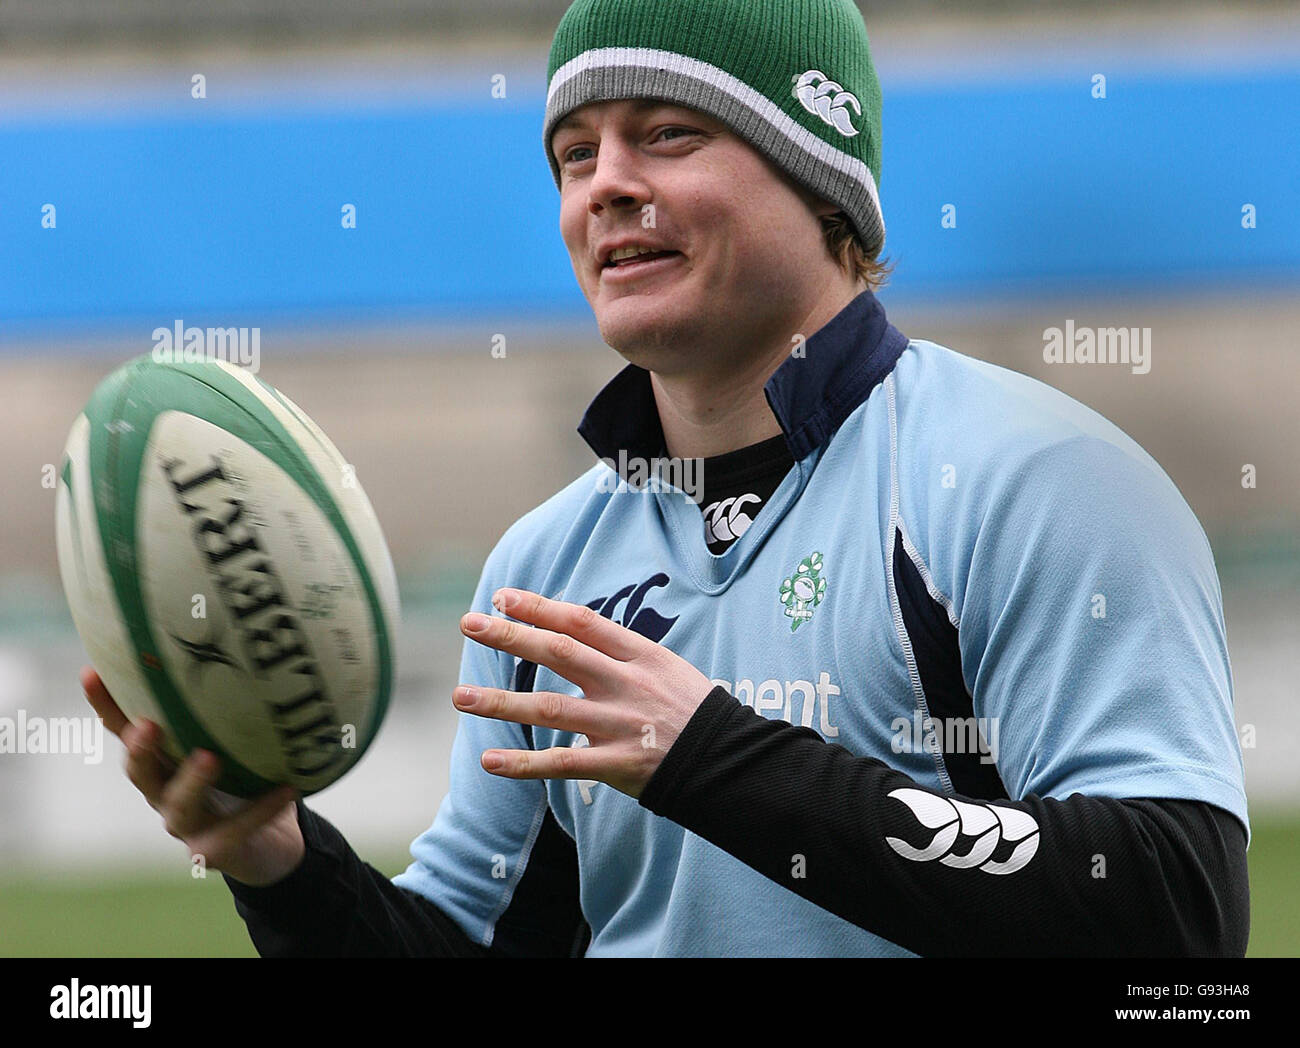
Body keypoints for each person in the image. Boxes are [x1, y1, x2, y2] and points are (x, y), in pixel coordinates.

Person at [83, 0, 1249, 957]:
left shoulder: (1043, 477)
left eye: (668, 134)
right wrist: (279, 862)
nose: (605, 186)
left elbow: (1176, 909)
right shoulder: (545, 567)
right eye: (574, 154)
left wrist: (714, 760)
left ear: (822, 176)